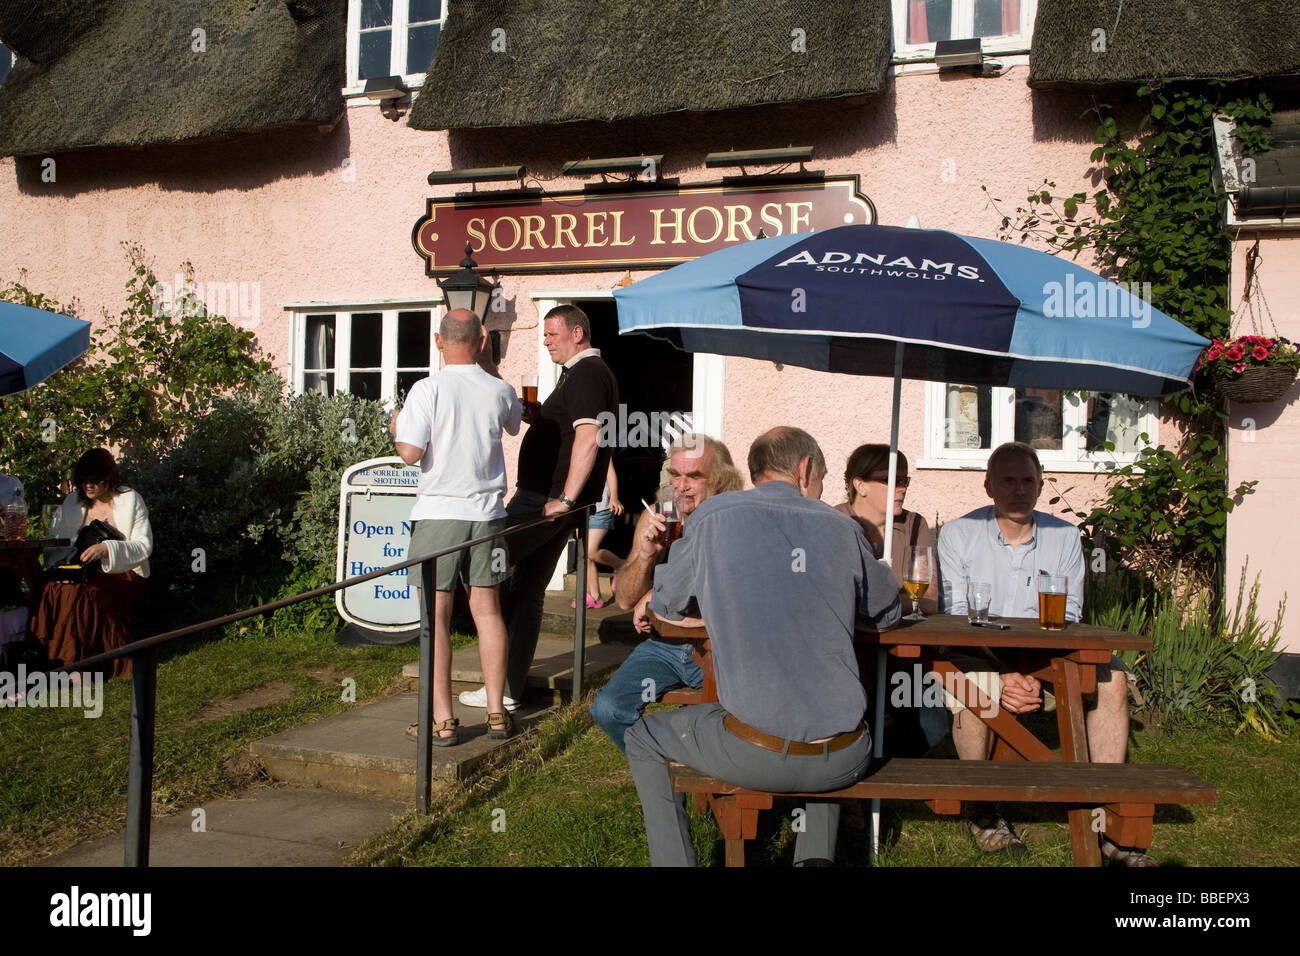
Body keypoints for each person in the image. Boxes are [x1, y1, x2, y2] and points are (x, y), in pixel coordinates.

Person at [625, 427, 901, 866]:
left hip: (754, 751)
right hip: (846, 755)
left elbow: (668, 601)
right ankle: (813, 859)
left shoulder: (712, 518)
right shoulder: (843, 527)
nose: (821, 488)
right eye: (823, 477)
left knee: (642, 736)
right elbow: (889, 610)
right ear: (806, 469)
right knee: (818, 716)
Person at [937, 440, 1150, 865]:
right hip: (977, 653)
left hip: (1046, 657)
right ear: (988, 486)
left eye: (1028, 481)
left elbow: (1068, 614)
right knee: (974, 681)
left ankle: (1105, 812)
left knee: (1113, 677)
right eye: (1009, 481)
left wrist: (1036, 669)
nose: (1019, 490)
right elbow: (958, 619)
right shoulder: (958, 534)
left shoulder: (1064, 535)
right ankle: (983, 810)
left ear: (1039, 486)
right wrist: (1003, 674)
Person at [459, 304, 618, 712]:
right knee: (527, 592)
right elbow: (569, 431)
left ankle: (498, 684)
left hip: (543, 501)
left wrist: (564, 499)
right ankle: (507, 690)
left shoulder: (586, 374)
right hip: (549, 500)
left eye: (551, 334)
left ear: (577, 334)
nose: (545, 342)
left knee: (483, 567)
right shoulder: (578, 376)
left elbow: (588, 437)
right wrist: (536, 415)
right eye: (544, 335)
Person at [391, 309, 522, 744]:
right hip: (488, 513)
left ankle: (443, 720)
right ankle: (496, 714)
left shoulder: (426, 389)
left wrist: (395, 426)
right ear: (482, 343)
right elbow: (513, 423)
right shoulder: (501, 389)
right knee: (489, 612)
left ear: (438, 341)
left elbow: (410, 452)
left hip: (439, 513)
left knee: (437, 615)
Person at [589, 434, 743, 753]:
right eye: (676, 475)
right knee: (608, 709)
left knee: (741, 716)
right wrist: (646, 556)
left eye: (695, 476)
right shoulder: (661, 515)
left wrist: (656, 595)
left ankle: (701, 768)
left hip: (718, 651)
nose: (682, 485)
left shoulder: (732, 520)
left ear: (720, 480)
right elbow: (625, 599)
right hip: (664, 646)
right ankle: (664, 769)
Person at [835, 444, 945, 758]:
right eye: (892, 480)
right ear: (860, 484)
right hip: (848, 659)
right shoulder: (832, 523)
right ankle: (855, 780)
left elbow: (928, 599)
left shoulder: (913, 526)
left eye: (905, 480)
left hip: (900, 656)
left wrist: (885, 606)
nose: (902, 488)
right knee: (858, 718)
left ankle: (873, 765)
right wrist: (902, 601)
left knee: (933, 724)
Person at [31, 448, 152, 680]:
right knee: (51, 585)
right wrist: (65, 566)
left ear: (109, 478)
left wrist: (107, 549)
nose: (89, 486)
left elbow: (144, 547)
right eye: (83, 480)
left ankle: (74, 667)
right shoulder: (72, 502)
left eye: (95, 480)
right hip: (83, 570)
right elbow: (56, 544)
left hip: (122, 573)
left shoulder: (129, 500)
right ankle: (42, 656)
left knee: (79, 592)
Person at [574, 460, 625, 610]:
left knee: (590, 551)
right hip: (580, 508)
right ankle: (596, 597)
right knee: (585, 554)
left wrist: (614, 497)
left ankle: (622, 566)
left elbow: (611, 474)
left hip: (601, 507)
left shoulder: (601, 445)